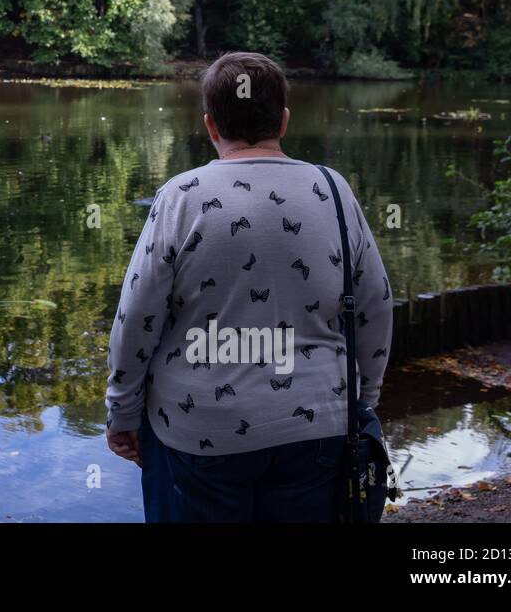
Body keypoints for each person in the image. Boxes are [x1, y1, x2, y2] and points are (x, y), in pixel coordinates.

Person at [105, 52, 393, 522]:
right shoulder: (333, 190)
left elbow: (136, 318)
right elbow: (375, 307)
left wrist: (123, 412)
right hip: (317, 424)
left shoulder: (181, 196)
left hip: (200, 431)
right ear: (283, 120)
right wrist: (364, 400)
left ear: (210, 125)